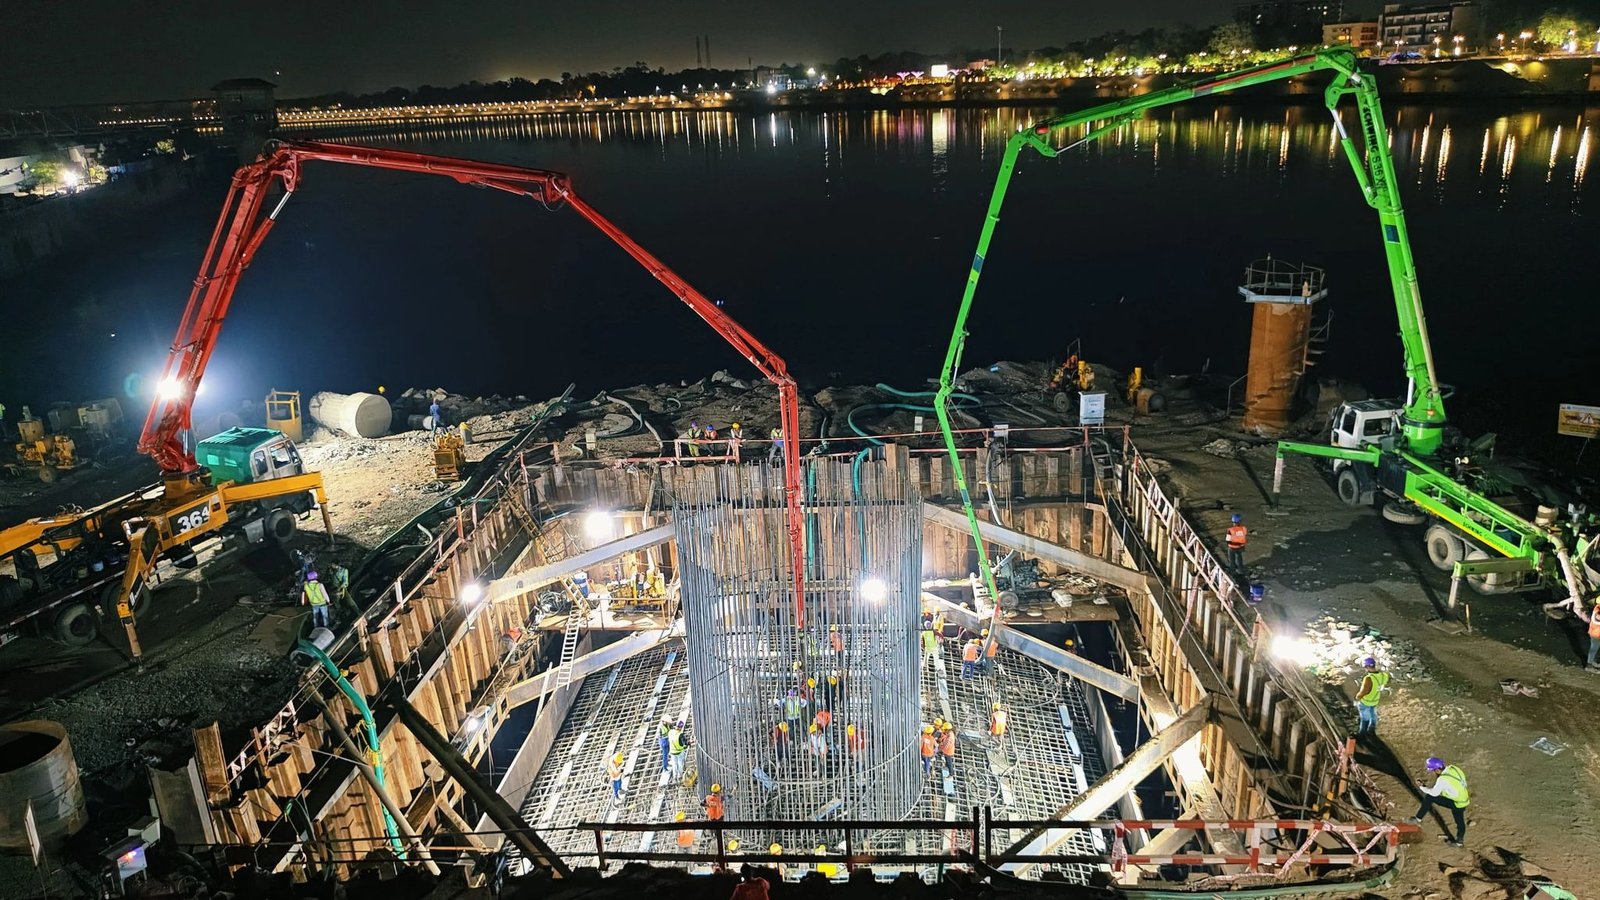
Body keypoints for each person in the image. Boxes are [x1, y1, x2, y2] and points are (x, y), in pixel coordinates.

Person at [1406, 756, 1470, 846]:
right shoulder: (1454, 768)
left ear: (1436, 770)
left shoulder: (1442, 779)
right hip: (1464, 798)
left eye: (1433, 770)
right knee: (1459, 822)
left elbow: (1434, 793)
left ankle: (1459, 842)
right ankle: (1418, 818)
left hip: (1458, 803)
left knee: (1459, 822)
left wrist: (1422, 787)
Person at [1355, 657, 1389, 736]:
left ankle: (1362, 735)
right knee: (1373, 715)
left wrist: (1358, 697)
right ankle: (1372, 730)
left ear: (1366, 667)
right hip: (1375, 700)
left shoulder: (1368, 678)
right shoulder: (1384, 676)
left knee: (1365, 719)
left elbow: (1364, 691)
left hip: (1366, 702)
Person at [1582, 594, 1600, 671]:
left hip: (1596, 633)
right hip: (1595, 634)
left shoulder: (1597, 608)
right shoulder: (1598, 613)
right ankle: (1589, 666)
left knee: (1595, 649)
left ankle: (1592, 662)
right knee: (1593, 649)